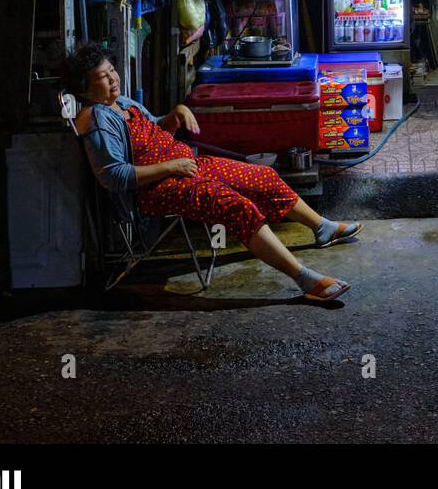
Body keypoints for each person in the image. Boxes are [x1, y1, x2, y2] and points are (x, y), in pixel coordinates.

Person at [64, 42, 359, 302]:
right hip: (157, 189)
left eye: (112, 70)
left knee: (262, 176)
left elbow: (155, 126)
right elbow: (113, 177)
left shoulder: (122, 104)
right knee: (237, 207)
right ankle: (304, 278)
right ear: (84, 89)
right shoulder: (96, 120)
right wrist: (171, 167)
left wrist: (175, 114)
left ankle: (322, 228)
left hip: (187, 167)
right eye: (103, 77)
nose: (113, 78)